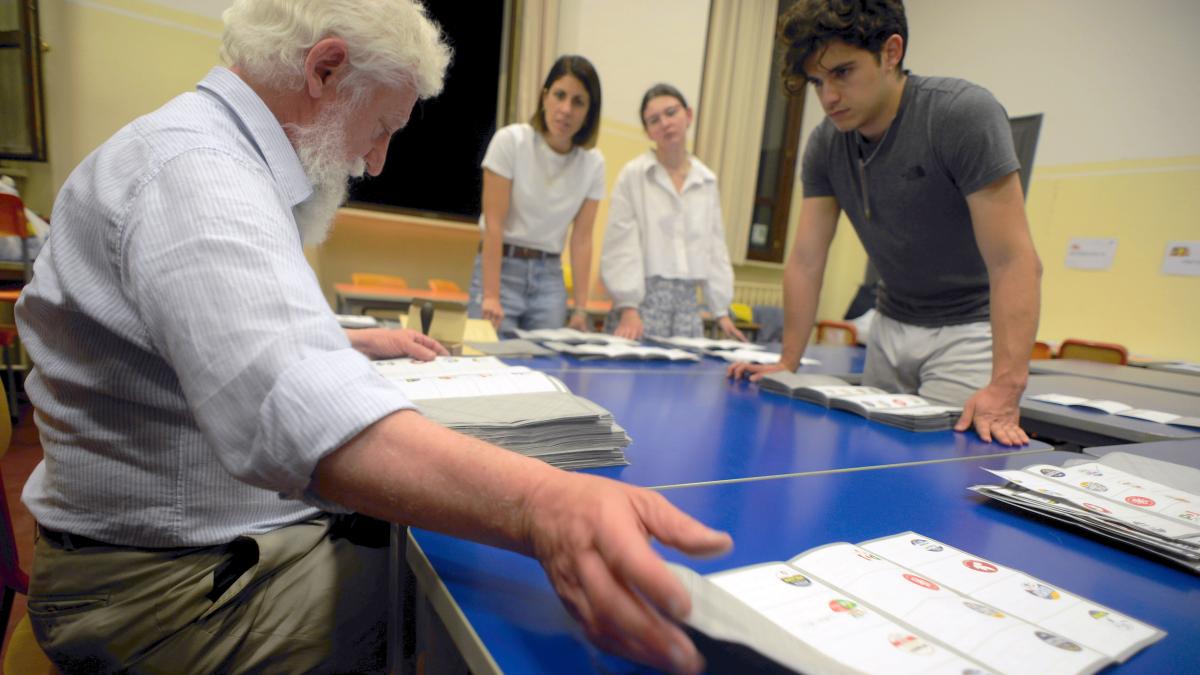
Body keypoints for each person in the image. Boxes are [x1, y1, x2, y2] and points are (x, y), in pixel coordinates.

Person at [15, 2, 730, 673]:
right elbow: (295, 410)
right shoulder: (197, 171)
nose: (377, 159)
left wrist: (334, 337)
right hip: (169, 596)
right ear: (324, 70)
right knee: (488, 600)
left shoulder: (200, 150)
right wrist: (548, 504)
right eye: (383, 125)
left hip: (184, 552)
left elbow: (196, 321)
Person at [728, 0, 1042, 447]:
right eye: (817, 81)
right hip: (888, 325)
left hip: (967, 331)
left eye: (842, 72)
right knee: (870, 462)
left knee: (943, 473)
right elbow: (806, 259)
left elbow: (1014, 260)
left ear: (891, 52)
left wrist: (1006, 386)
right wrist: (788, 360)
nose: (828, 97)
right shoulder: (826, 144)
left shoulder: (960, 115)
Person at [468, 55, 605, 335]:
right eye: (560, 95)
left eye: (578, 102)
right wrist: (491, 295)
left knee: (545, 369)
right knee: (487, 363)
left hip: (550, 279)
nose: (566, 109)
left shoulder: (593, 163)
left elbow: (582, 240)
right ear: (545, 97)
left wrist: (580, 308)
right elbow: (494, 226)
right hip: (501, 271)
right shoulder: (510, 142)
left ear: (589, 111)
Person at [600, 83, 745, 341]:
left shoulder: (706, 181)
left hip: (688, 308)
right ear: (647, 132)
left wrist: (721, 310)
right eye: (654, 120)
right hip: (641, 306)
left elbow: (714, 247)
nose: (665, 123)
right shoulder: (633, 176)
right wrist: (628, 307)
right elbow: (620, 245)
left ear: (688, 115)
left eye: (671, 113)